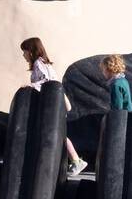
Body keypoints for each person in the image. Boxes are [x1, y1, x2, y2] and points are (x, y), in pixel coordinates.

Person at [21, 37, 87, 176]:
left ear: (31, 51)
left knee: (58, 134)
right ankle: (73, 160)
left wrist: (31, 85)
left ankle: (76, 160)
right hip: (54, 102)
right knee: (57, 133)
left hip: (53, 103)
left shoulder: (39, 63)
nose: (23, 55)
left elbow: (47, 81)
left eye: (25, 51)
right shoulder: (43, 63)